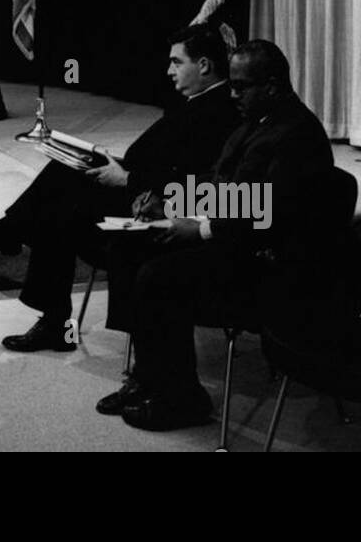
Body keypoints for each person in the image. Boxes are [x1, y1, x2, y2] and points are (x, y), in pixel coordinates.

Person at [0, 24, 239, 353]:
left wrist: (128, 178)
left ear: (204, 65)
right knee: (63, 187)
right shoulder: (195, 100)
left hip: (161, 207)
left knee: (61, 194)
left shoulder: (222, 111)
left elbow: (205, 186)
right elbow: (160, 157)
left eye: (177, 62)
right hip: (140, 185)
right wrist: (116, 163)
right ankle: (19, 251)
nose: (168, 70)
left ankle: (16, 246)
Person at [107, 39, 335, 431]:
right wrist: (171, 203)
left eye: (240, 86)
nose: (232, 94)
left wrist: (201, 230)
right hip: (239, 239)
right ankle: (150, 376)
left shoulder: (296, 134)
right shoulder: (257, 119)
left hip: (271, 260)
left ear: (272, 85)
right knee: (132, 245)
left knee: (159, 275)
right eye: (231, 85)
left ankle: (182, 400)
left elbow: (267, 211)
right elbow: (224, 185)